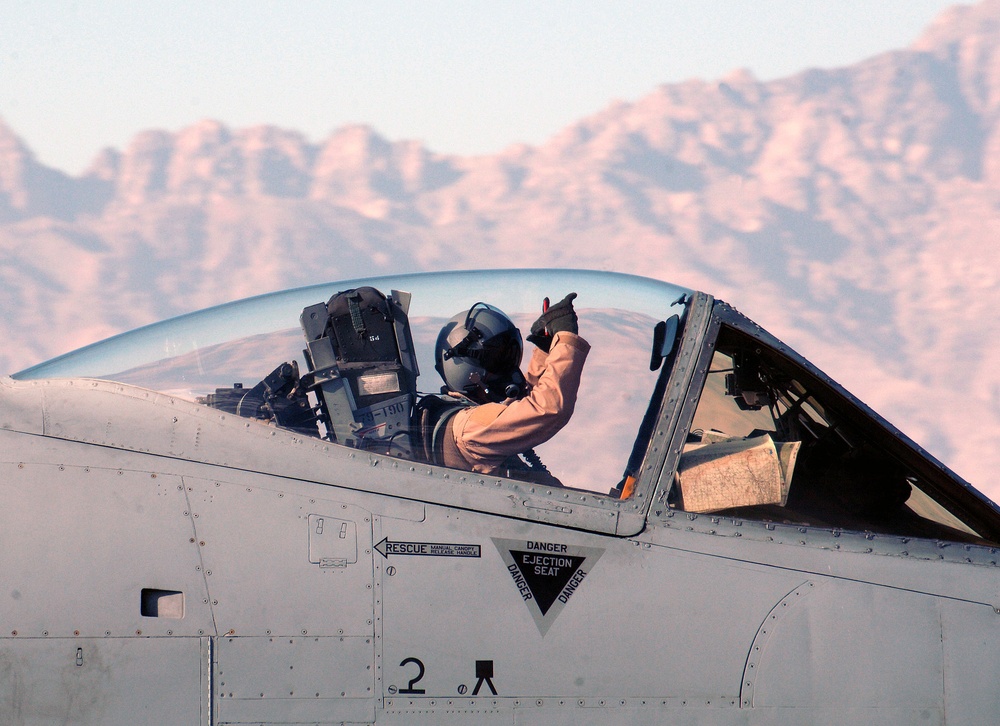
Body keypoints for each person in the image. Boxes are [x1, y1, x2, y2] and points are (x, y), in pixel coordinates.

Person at [427, 293, 590, 478]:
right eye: (499, 360)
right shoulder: (469, 427)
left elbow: (523, 406)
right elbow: (547, 409)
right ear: (467, 371)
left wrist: (545, 352)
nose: (509, 373)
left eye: (511, 355)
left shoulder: (471, 417)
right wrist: (565, 341)